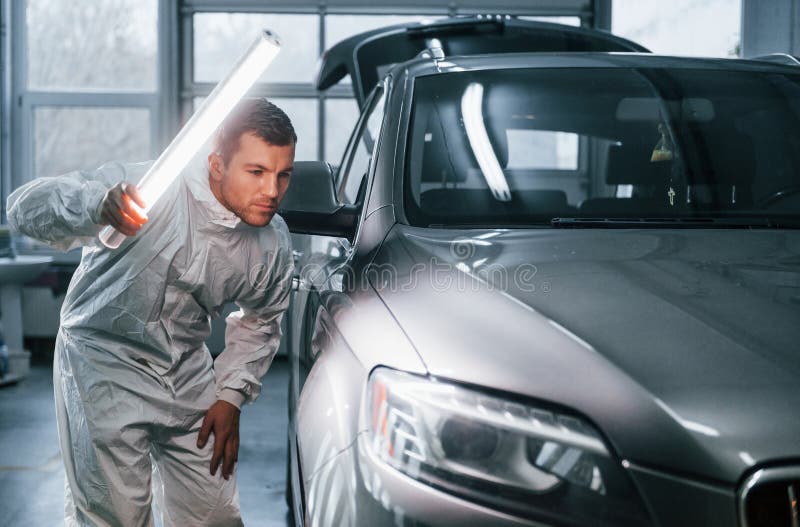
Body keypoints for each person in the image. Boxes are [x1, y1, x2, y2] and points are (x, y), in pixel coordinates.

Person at [7, 98, 296, 526]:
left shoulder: (270, 243)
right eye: (256, 172)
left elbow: (262, 318)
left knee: (214, 515)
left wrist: (230, 396)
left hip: (183, 366)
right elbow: (22, 208)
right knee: (114, 517)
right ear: (217, 165)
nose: (272, 192)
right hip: (102, 364)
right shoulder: (151, 186)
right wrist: (95, 207)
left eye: (283, 175)